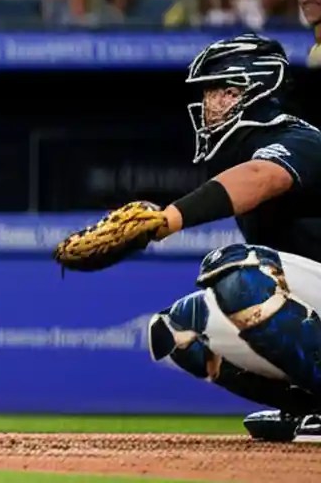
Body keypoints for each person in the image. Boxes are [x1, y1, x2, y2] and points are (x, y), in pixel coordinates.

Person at [59, 32, 321, 442]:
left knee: (235, 269)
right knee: (179, 328)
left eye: (222, 91)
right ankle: (307, 407)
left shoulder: (298, 136)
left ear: (256, 91)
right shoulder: (246, 150)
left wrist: (166, 220)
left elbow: (262, 177)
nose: (209, 104)